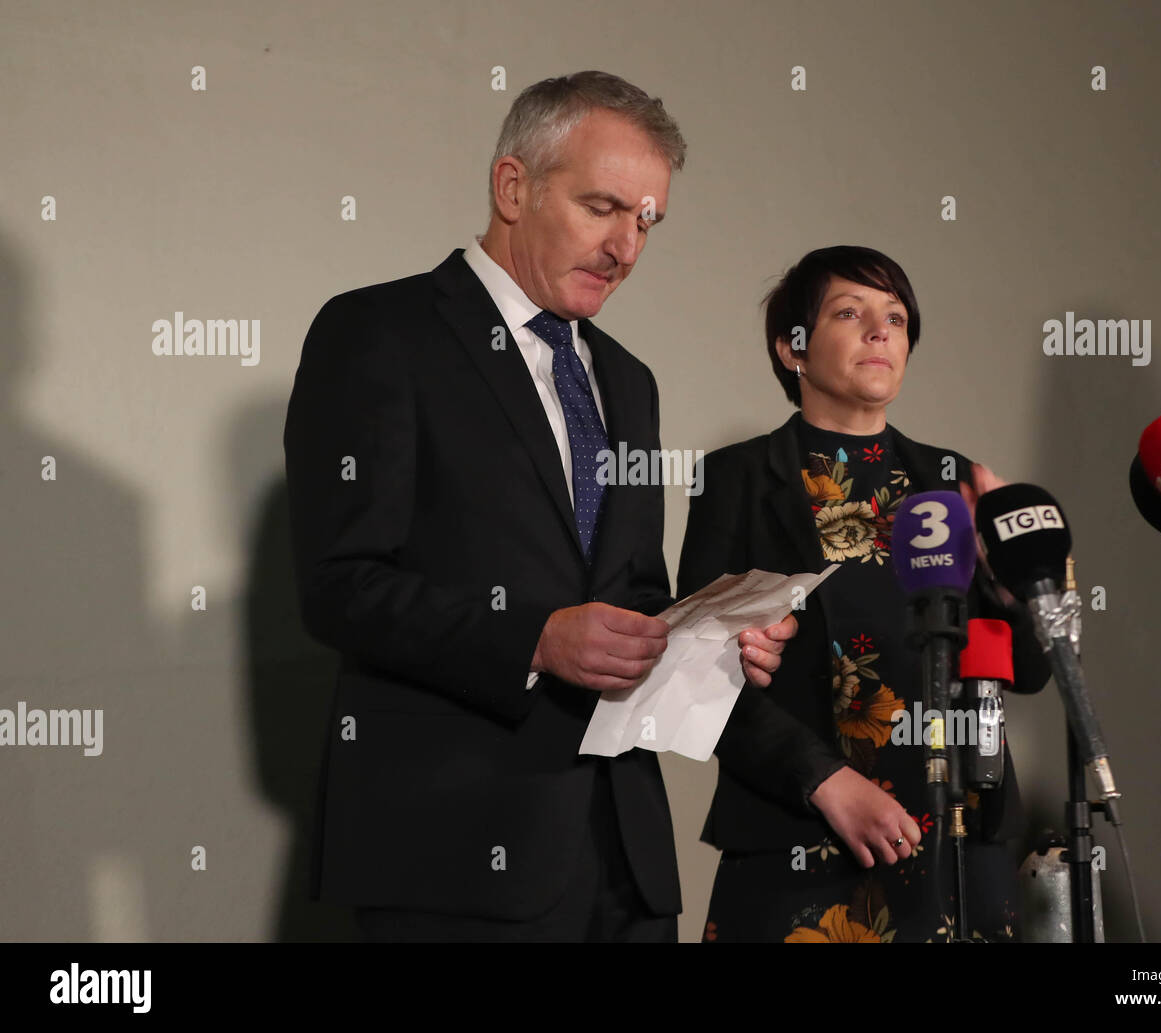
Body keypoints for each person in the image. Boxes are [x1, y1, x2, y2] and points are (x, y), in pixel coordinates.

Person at [282, 70, 795, 943]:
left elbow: (632, 594)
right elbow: (340, 586)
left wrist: (713, 641)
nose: (625, 247)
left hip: (626, 861)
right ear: (512, 186)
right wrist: (533, 637)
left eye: (646, 221)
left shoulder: (629, 382)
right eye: (602, 207)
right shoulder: (378, 334)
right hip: (452, 855)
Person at [676, 245, 1052, 942]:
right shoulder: (736, 478)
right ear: (794, 348)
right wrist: (827, 782)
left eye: (897, 317)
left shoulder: (952, 480)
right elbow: (702, 675)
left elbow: (1028, 670)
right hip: (803, 835)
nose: (881, 331)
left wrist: (1007, 583)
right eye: (850, 313)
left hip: (956, 844)